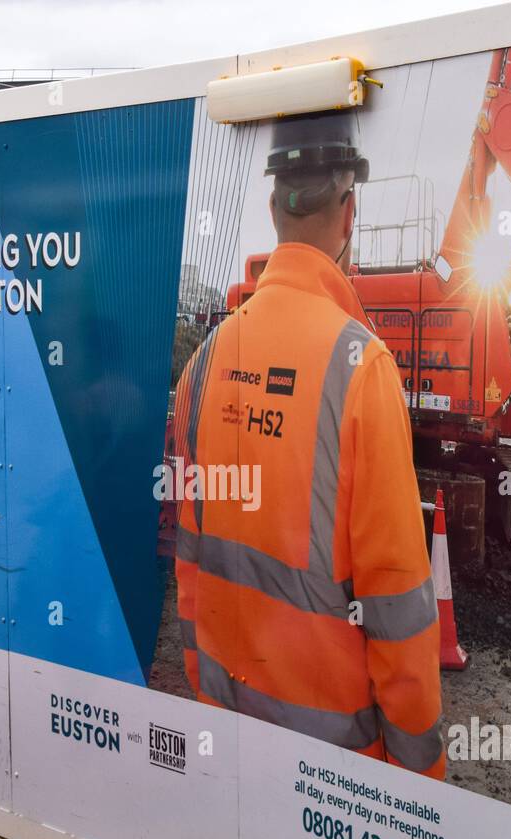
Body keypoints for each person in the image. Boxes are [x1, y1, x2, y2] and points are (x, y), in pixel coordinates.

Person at [172, 112, 445, 779]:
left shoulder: (203, 365)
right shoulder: (362, 372)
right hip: (332, 777)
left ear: (273, 209)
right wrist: (421, 779)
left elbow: (190, 563)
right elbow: (397, 608)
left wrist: (208, 694)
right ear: (349, 214)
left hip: (226, 740)